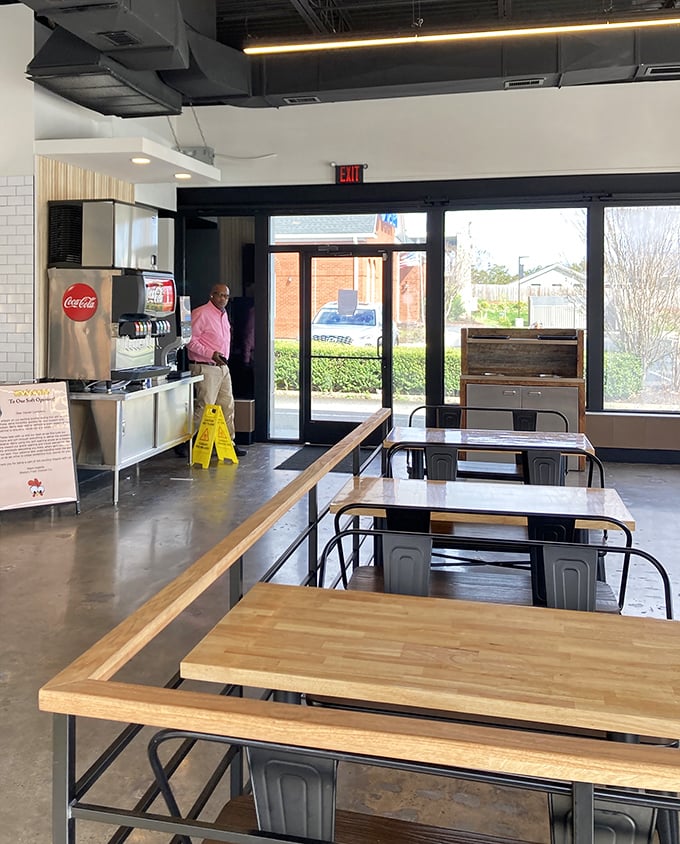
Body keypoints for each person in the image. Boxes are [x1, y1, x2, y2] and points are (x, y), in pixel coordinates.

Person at [185, 283, 247, 458]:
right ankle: (185, 441)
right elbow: (189, 340)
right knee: (205, 407)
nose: (223, 299)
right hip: (205, 366)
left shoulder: (223, 314)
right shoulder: (201, 313)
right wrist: (210, 354)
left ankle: (229, 443)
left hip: (222, 367)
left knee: (227, 405)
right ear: (211, 295)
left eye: (226, 296)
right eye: (219, 295)